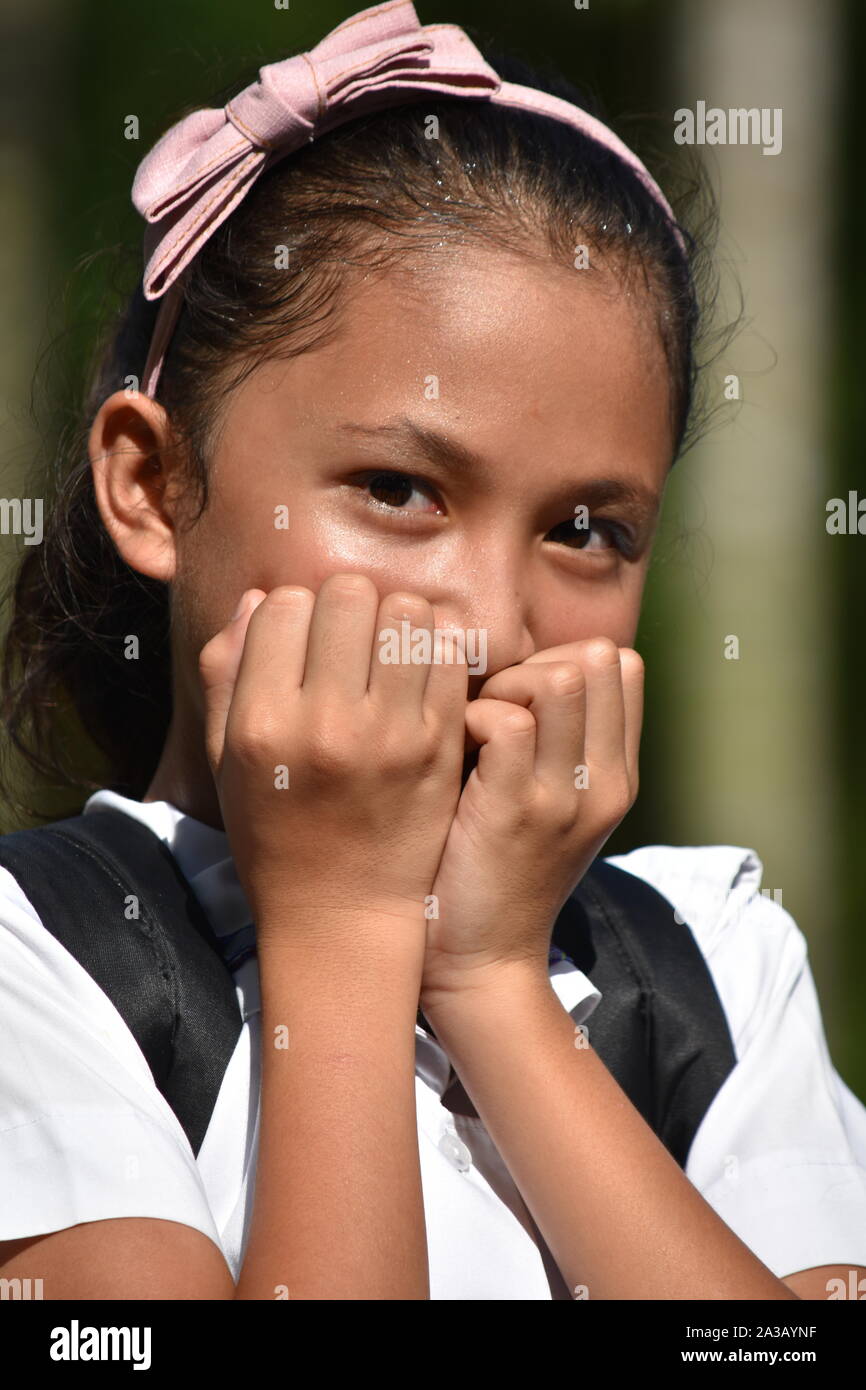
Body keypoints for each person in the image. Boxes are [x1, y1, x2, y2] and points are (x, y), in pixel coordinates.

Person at [1, 0, 865, 1300]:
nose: (490, 618)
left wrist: (496, 989)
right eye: (399, 490)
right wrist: (342, 932)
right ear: (151, 482)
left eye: (584, 528)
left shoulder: (712, 965)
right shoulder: (45, 958)